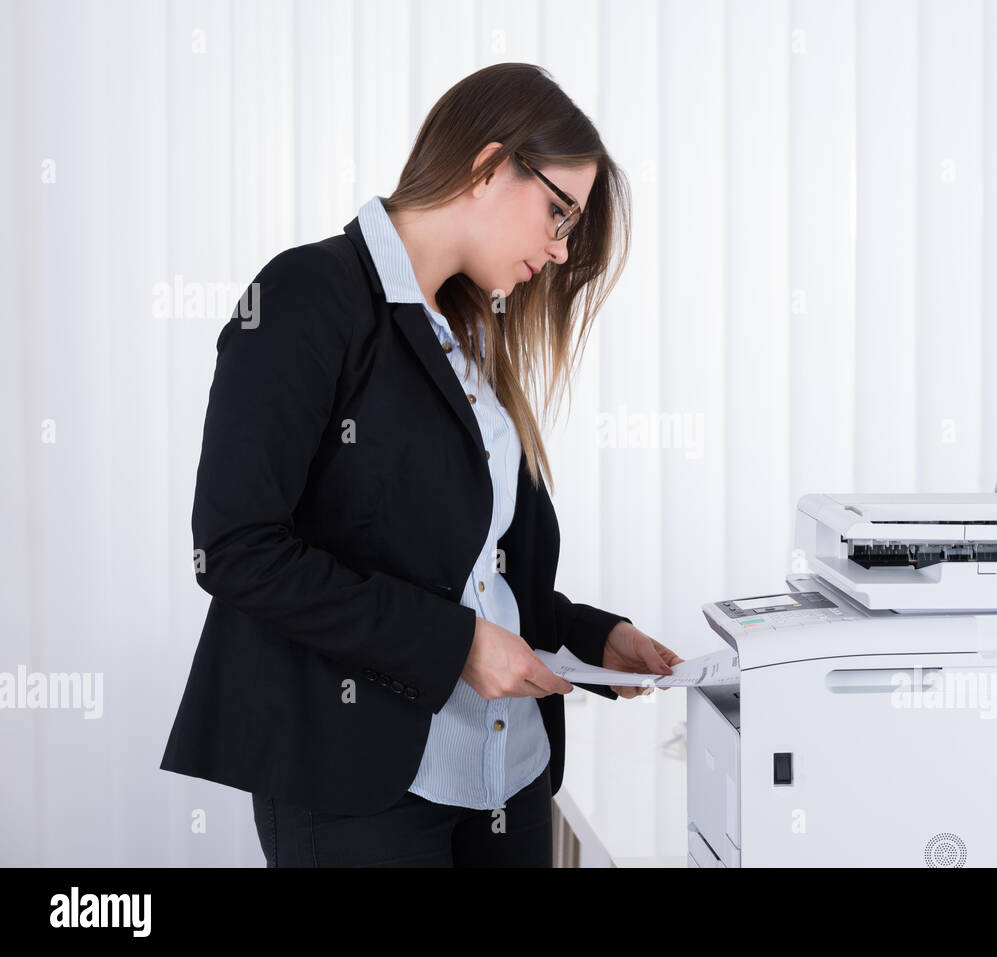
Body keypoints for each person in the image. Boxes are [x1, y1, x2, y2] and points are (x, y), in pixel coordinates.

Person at [159, 62, 683, 867]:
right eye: (557, 213)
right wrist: (454, 647)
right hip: (362, 788)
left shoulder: (472, 337)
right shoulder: (308, 294)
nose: (559, 246)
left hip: (508, 777)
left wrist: (591, 636)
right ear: (487, 165)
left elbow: (472, 573)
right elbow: (235, 548)